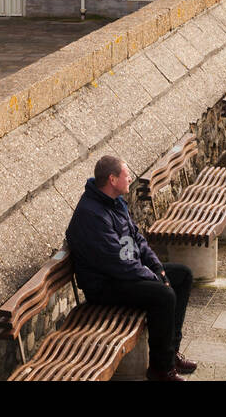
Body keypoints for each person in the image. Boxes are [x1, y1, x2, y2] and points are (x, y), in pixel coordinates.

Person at [64, 154, 197, 381]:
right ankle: (160, 370)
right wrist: (153, 278)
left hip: (124, 272)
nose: (130, 179)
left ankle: (171, 351)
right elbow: (117, 263)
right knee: (163, 295)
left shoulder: (115, 202)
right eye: (126, 176)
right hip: (105, 285)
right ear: (112, 179)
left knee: (182, 275)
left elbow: (137, 238)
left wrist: (158, 269)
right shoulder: (92, 215)